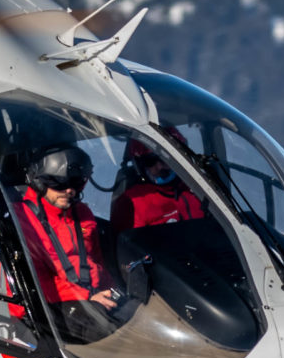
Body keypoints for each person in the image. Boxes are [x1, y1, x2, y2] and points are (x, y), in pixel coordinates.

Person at [13, 146, 127, 343]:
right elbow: (33, 281)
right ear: (38, 182)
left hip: (91, 295)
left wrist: (113, 291)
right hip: (51, 302)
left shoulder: (82, 213)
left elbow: (97, 260)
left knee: (135, 313)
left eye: (75, 183)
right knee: (107, 332)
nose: (69, 190)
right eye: (59, 183)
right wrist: (86, 297)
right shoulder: (21, 218)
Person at [110, 137, 206, 230]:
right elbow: (129, 244)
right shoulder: (132, 202)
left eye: (165, 159)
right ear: (140, 165)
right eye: (150, 161)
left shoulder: (200, 189)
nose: (159, 167)